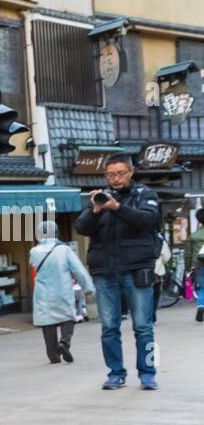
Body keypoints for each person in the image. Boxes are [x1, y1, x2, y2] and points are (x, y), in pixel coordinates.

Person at [74, 153, 161, 390]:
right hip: (105, 271)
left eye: (120, 173)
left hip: (137, 268)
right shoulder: (101, 198)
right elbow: (81, 227)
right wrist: (95, 209)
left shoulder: (145, 195)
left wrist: (118, 207)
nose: (115, 178)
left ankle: (148, 373)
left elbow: (147, 220)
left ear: (131, 172)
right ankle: (115, 373)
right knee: (109, 328)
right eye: (110, 174)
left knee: (144, 326)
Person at [29, 220, 94, 364]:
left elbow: (34, 265)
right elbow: (78, 270)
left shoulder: (34, 251)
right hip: (62, 290)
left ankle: (53, 356)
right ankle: (64, 343)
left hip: (42, 294)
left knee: (47, 322)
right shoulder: (64, 250)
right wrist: (88, 287)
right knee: (68, 317)